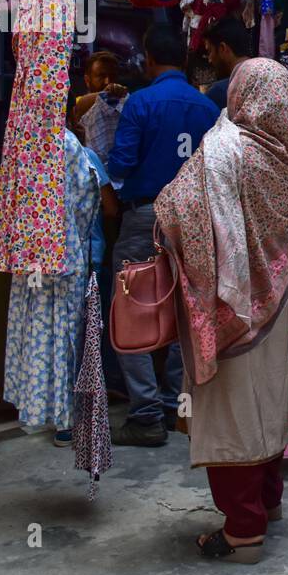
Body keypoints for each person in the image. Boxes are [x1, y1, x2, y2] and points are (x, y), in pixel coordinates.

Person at [155, 58, 288, 564]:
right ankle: (268, 502)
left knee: (232, 413)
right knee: (268, 400)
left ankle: (243, 531)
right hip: (274, 301)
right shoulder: (287, 156)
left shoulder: (224, 151)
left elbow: (177, 208)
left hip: (230, 307)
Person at [107, 26, 220, 446]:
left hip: (147, 215)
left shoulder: (140, 102)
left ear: (151, 58)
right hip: (192, 217)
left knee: (131, 309)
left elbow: (120, 163)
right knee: (185, 309)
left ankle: (146, 414)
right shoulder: (206, 107)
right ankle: (178, 406)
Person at [73, 50, 129, 161]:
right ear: (87, 80)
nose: (107, 82)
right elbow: (78, 106)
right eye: (101, 76)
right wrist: (106, 93)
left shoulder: (125, 103)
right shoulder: (79, 103)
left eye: (112, 76)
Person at [202, 17, 255, 110]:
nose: (210, 59)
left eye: (210, 51)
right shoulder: (271, 78)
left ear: (222, 48)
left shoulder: (220, 92)